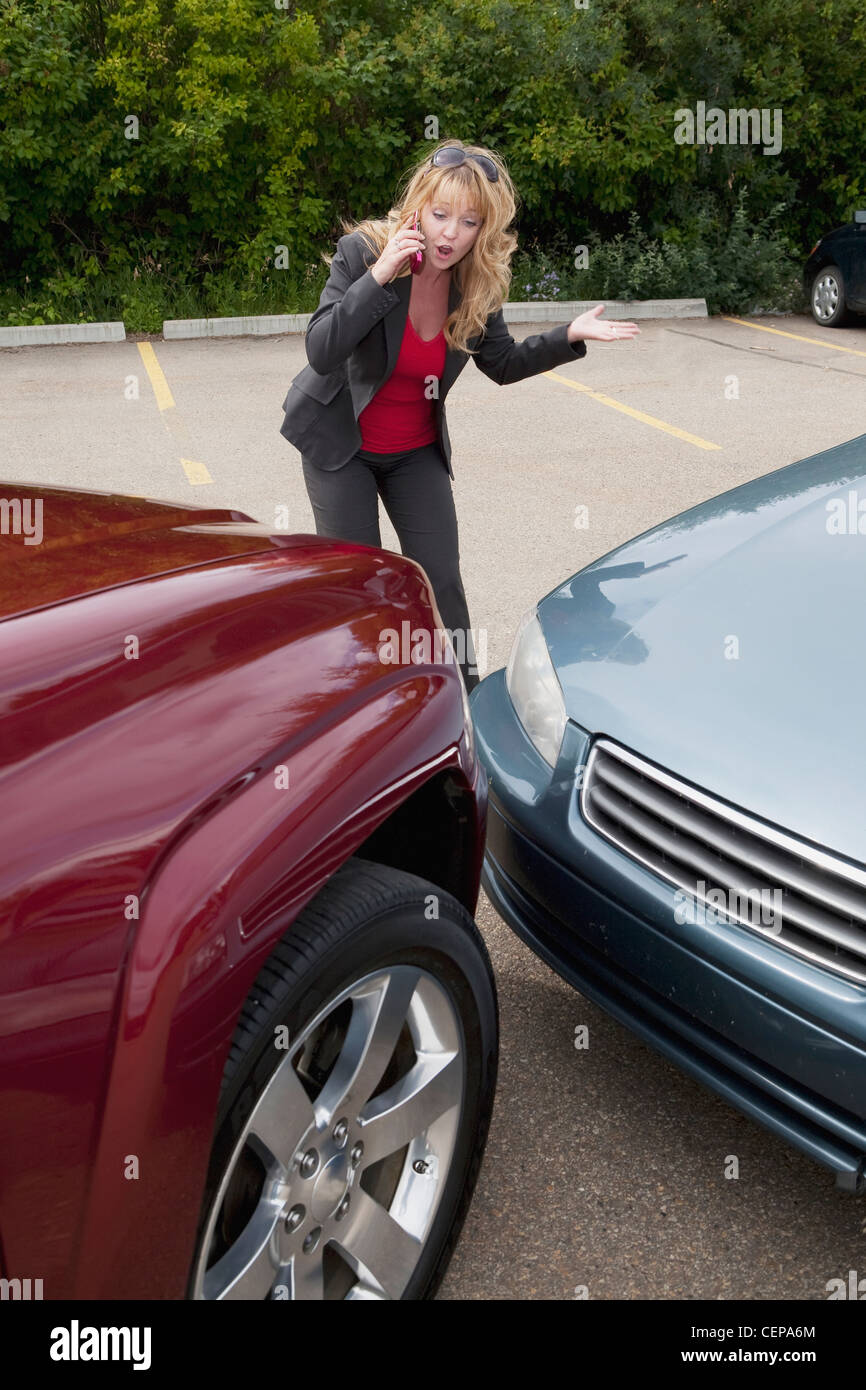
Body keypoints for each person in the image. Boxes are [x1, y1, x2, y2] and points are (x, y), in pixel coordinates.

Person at [280, 138, 640, 692]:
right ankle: (369, 702)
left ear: (483, 229)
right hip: (340, 447)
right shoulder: (364, 251)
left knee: (441, 579)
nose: (450, 233)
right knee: (365, 584)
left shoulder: (475, 282)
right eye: (441, 214)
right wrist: (378, 277)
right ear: (418, 204)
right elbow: (322, 349)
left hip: (412, 452)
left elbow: (501, 362)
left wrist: (567, 336)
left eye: (468, 222)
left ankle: (466, 702)